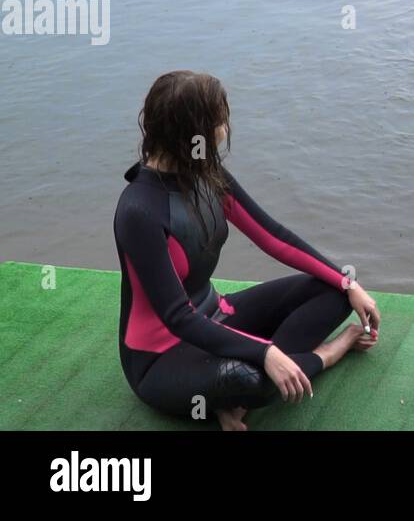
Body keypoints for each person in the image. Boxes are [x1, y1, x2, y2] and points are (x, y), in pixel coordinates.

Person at [113, 70, 381, 430]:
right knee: (249, 380)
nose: (225, 128)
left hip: (218, 313)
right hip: (160, 357)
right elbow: (178, 317)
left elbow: (274, 237)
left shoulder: (208, 175)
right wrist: (265, 352)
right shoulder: (139, 211)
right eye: (220, 120)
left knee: (332, 289)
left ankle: (254, 380)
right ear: (194, 130)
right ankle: (325, 355)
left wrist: (349, 285)